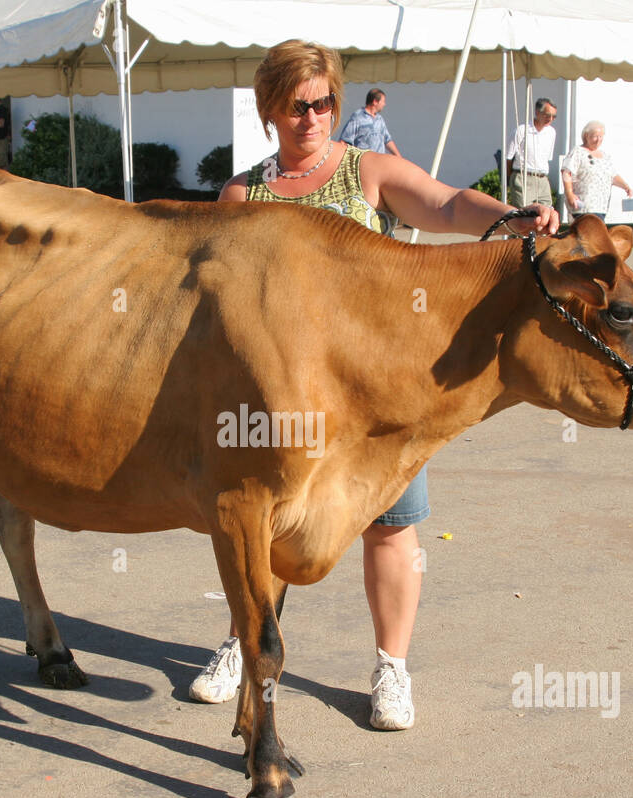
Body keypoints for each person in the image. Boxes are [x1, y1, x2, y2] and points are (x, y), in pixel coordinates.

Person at [190, 39, 558, 731]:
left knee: (391, 529)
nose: (314, 117)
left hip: (375, 396)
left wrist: (507, 223)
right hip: (279, 400)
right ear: (270, 109)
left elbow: (446, 204)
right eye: (297, 105)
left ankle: (392, 669)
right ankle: (243, 645)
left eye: (324, 101)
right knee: (261, 528)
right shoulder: (242, 195)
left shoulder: (367, 172)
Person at [561, 120, 633, 220]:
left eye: (601, 136)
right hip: (583, 206)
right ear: (586, 136)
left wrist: (625, 186)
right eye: (595, 136)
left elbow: (612, 176)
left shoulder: (605, 156)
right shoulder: (578, 151)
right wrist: (569, 194)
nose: (598, 139)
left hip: (600, 207)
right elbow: (566, 172)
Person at [505, 98, 558, 208]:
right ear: (537, 113)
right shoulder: (521, 130)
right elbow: (508, 157)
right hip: (523, 177)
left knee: (547, 214)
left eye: (554, 116)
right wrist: (512, 178)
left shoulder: (551, 132)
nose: (550, 119)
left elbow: (547, 158)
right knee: (523, 215)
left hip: (542, 179)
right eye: (548, 115)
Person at [337, 88, 402, 158]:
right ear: (375, 102)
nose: (384, 104)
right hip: (363, 163)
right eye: (383, 101)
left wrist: (398, 156)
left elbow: (387, 140)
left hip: (379, 163)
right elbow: (344, 141)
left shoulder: (379, 119)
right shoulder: (358, 117)